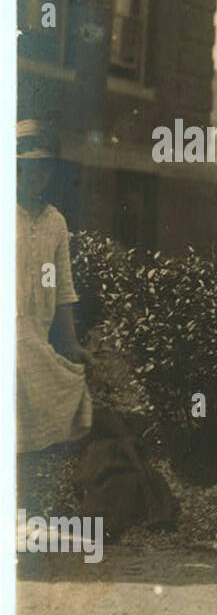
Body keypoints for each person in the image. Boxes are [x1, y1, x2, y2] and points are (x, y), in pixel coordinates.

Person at [16, 119, 93, 455]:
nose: (36, 175)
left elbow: (61, 288)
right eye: (27, 167)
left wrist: (72, 344)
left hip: (37, 334)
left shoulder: (55, 223)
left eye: (44, 167)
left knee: (66, 382)